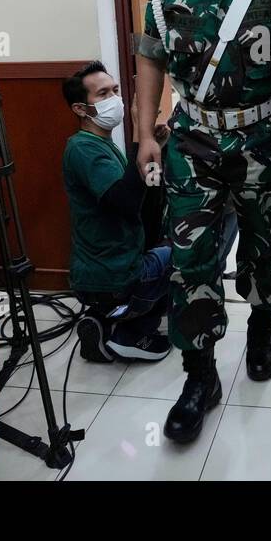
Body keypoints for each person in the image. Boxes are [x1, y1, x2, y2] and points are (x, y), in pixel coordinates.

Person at [133, 0, 271, 444]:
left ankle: (262, 327)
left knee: (266, 243)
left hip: (264, 137)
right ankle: (198, 376)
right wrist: (144, 133)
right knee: (191, 258)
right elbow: (150, 63)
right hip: (193, 142)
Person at [62, 61, 172, 363]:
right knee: (185, 253)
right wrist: (140, 132)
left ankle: (105, 320)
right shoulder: (85, 149)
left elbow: (145, 198)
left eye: (115, 90)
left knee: (162, 239)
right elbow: (125, 202)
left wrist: (152, 149)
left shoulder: (103, 144)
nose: (115, 99)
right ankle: (132, 333)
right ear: (81, 109)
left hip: (109, 271)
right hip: (113, 277)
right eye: (103, 94)